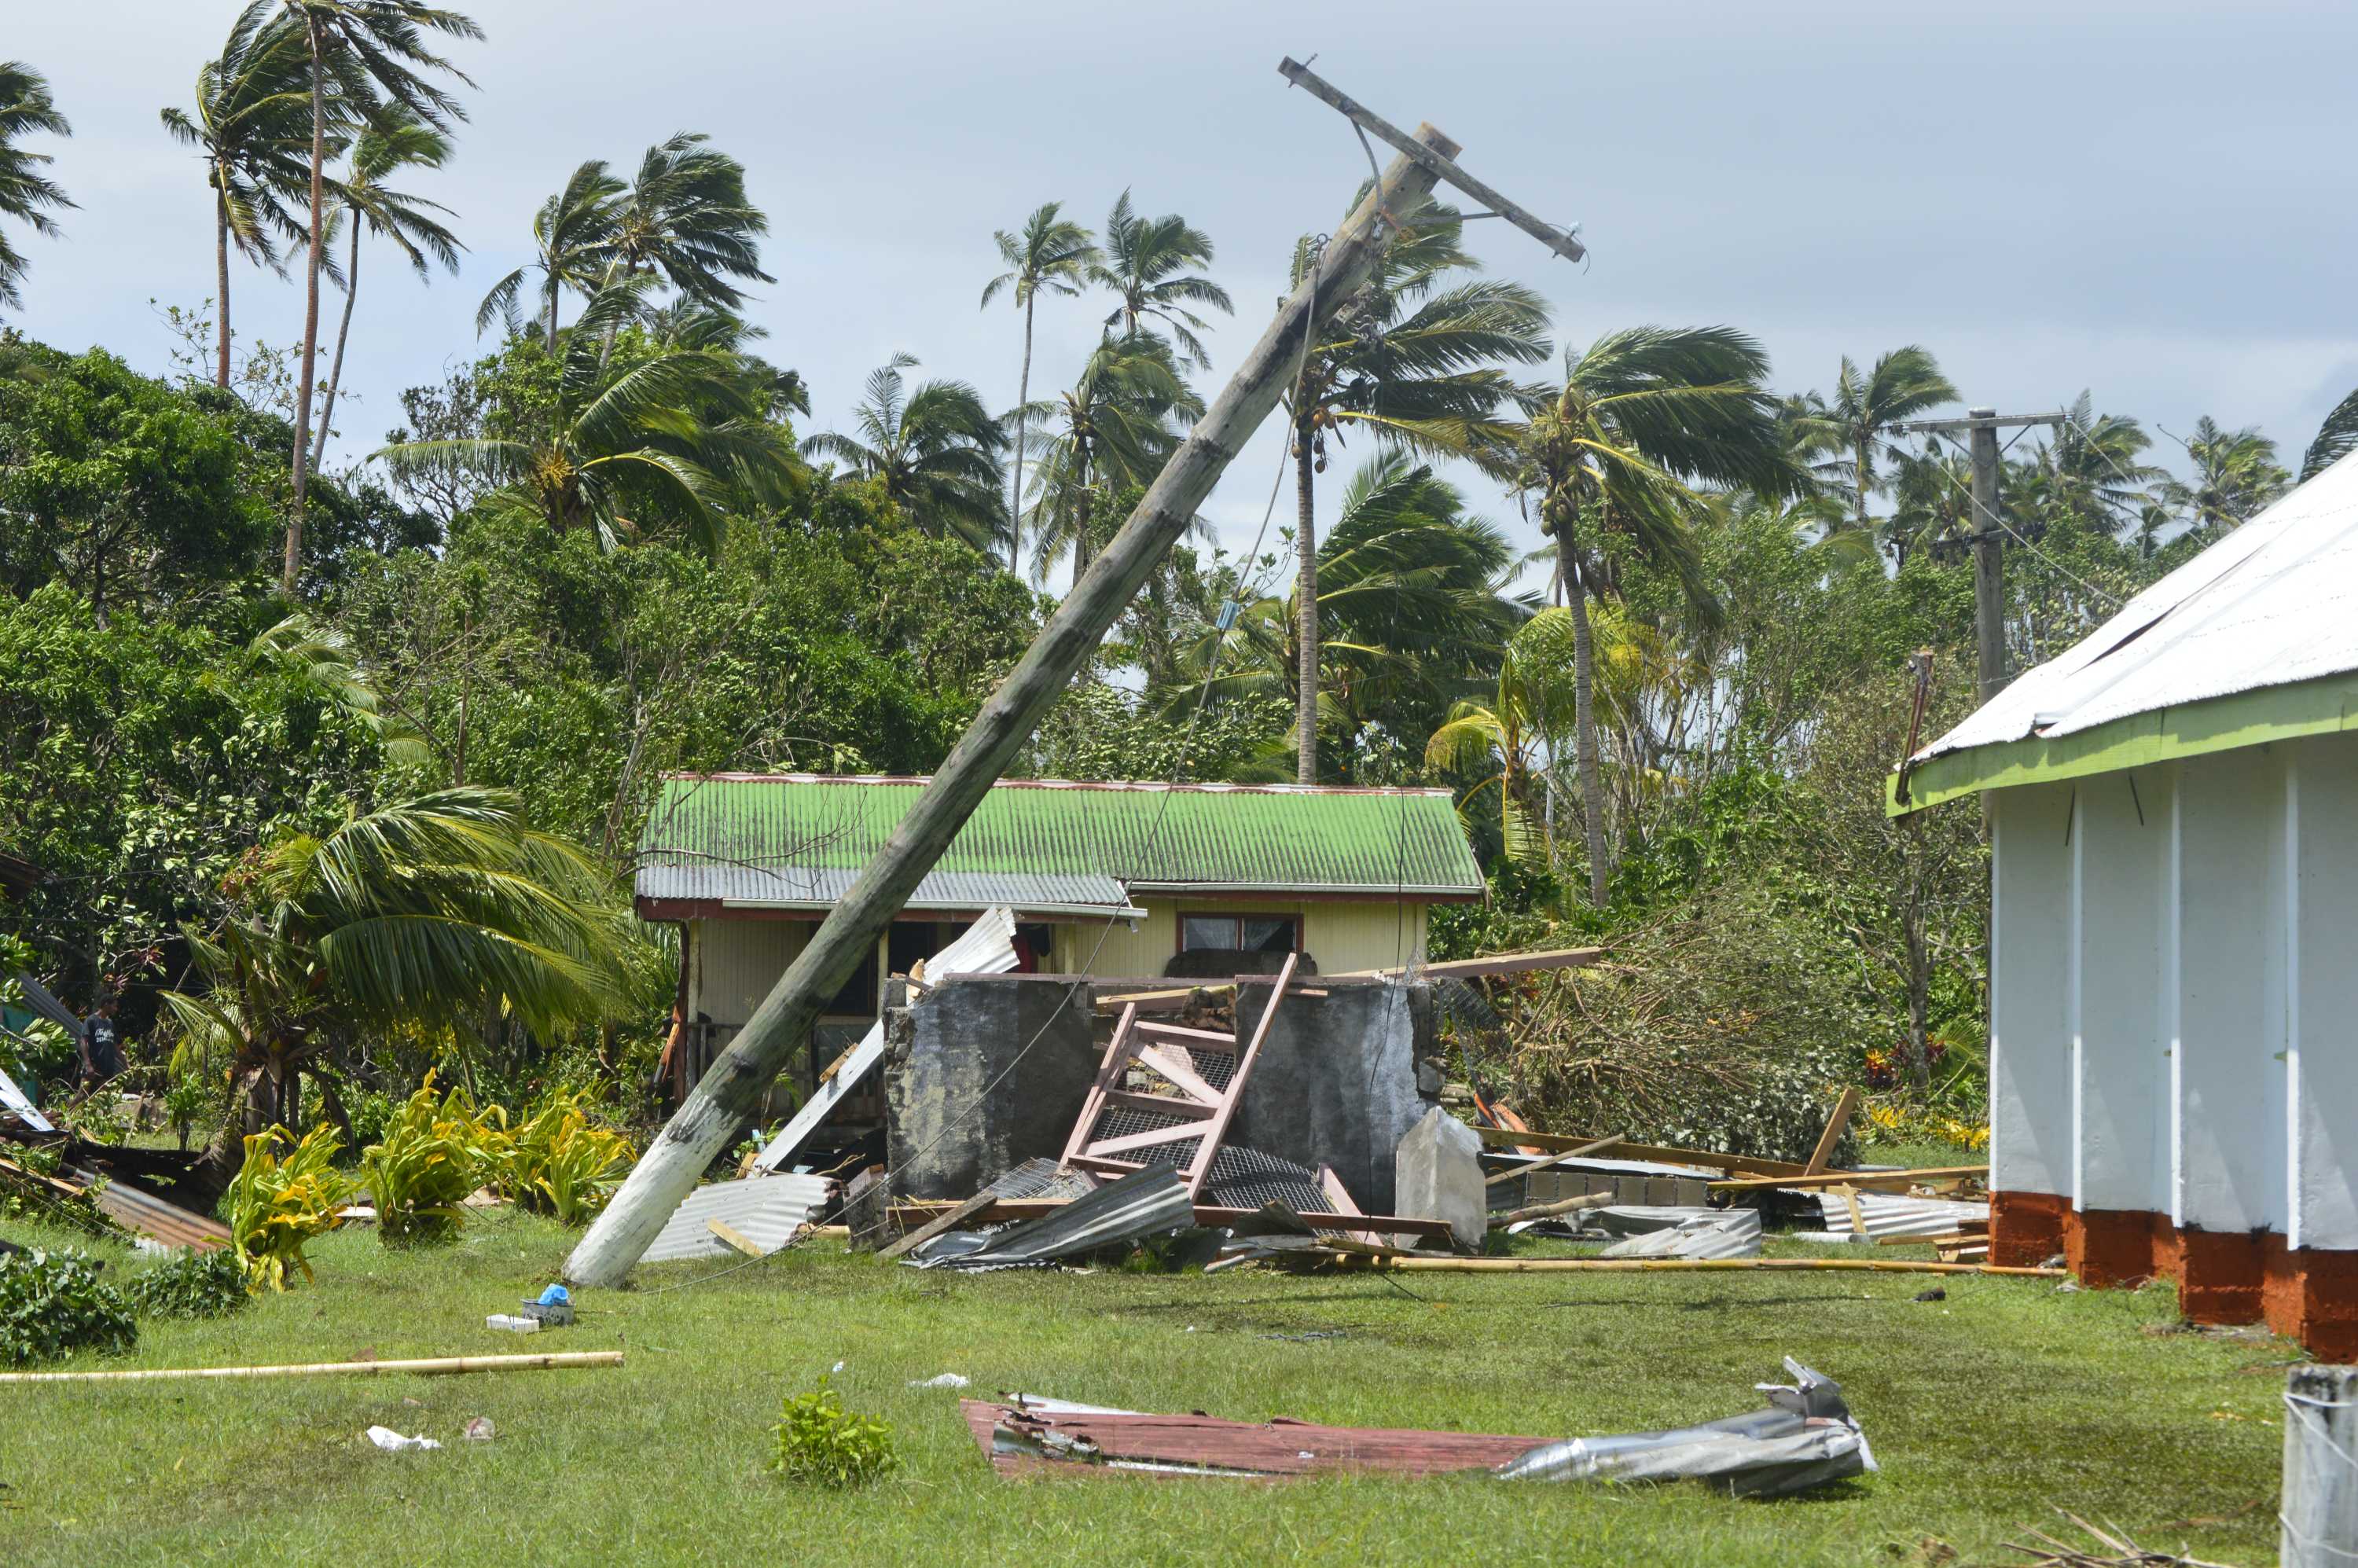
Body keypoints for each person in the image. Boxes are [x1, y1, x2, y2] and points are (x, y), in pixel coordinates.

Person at [79, 995, 125, 1090]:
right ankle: (70, 1106)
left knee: (103, 1098)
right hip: (94, 1067)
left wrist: (126, 1063)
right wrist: (88, 1065)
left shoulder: (110, 1023)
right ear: (106, 1005)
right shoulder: (91, 1020)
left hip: (107, 1069)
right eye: (114, 1006)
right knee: (82, 1095)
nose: (116, 1009)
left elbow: (115, 1046)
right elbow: (83, 1042)